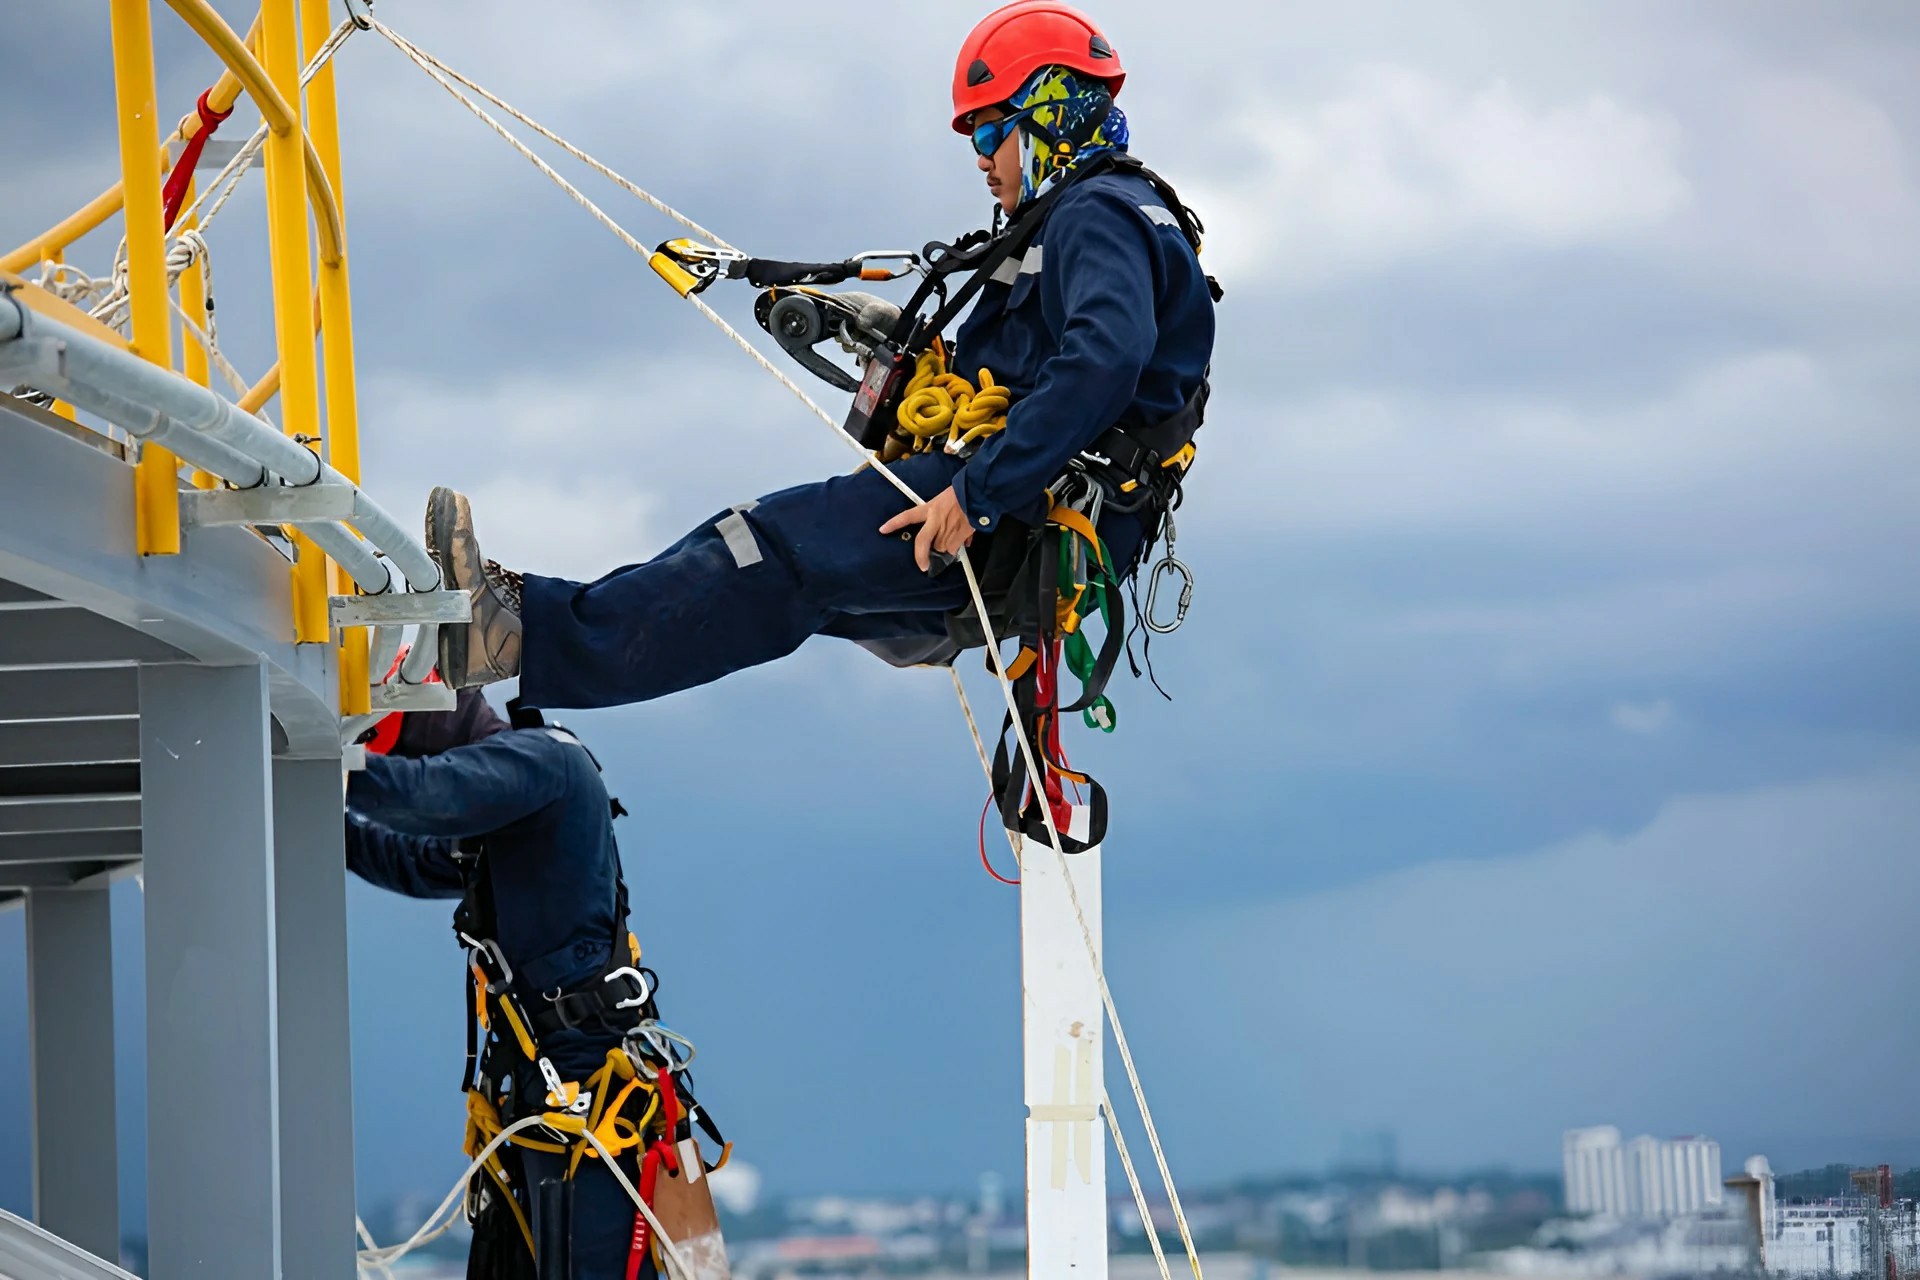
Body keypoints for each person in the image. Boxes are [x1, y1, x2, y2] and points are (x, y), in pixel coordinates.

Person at [425, 1, 1217, 711]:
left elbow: (1104, 361)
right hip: (1035, 524)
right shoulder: (1104, 218)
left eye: (987, 129)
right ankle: (522, 634)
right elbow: (1055, 367)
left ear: (1047, 112)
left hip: (1014, 513)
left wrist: (975, 495)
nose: (980, 158)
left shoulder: (1098, 214)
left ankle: (523, 635)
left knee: (760, 547)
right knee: (764, 584)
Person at [345, 682, 723, 1278]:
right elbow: (407, 859)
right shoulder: (505, 814)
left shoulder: (546, 761)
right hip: (543, 1082)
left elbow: (430, 796)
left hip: (585, 1082)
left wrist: (321, 762)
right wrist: (306, 799)